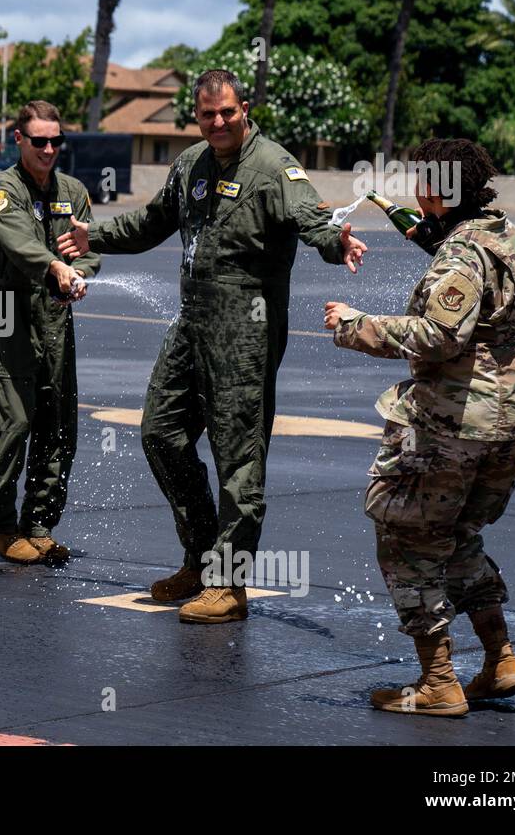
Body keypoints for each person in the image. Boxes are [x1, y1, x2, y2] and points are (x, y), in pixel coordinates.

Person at [58, 69, 367, 623]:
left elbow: (310, 216)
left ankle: (229, 585)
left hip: (245, 333)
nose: (218, 122)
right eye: (207, 115)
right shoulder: (190, 166)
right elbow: (152, 221)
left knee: (238, 460)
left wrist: (333, 241)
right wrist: (92, 236)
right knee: (161, 433)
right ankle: (201, 561)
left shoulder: (273, 166)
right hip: (192, 324)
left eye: (227, 112)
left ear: (244, 108)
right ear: (196, 118)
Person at [325, 138, 515, 717]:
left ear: (438, 188)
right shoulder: (506, 236)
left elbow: (439, 335)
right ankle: (500, 661)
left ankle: (438, 682)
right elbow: (471, 273)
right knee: (461, 535)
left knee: (408, 536)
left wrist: (356, 323)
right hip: (513, 417)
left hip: (456, 421)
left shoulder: (459, 257)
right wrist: (419, 227)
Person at [0, 100, 101, 565]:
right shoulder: (3, 192)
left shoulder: (72, 191)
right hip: (11, 315)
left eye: (56, 140)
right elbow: (20, 244)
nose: (49, 149)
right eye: (39, 141)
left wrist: (79, 272)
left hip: (55, 320)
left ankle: (40, 525)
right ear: (19, 140)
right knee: (13, 425)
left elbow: (87, 248)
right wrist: (56, 267)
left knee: (58, 426)